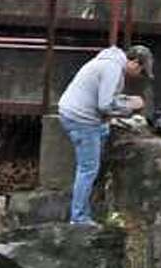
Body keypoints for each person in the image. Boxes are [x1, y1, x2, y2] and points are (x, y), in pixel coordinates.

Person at [57, 42, 154, 226]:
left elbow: (105, 99)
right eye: (141, 71)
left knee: (103, 135)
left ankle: (86, 208)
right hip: (81, 119)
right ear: (134, 63)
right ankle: (78, 218)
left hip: (75, 113)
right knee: (87, 169)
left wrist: (125, 100)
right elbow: (104, 105)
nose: (139, 76)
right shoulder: (113, 69)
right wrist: (129, 107)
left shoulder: (109, 62)